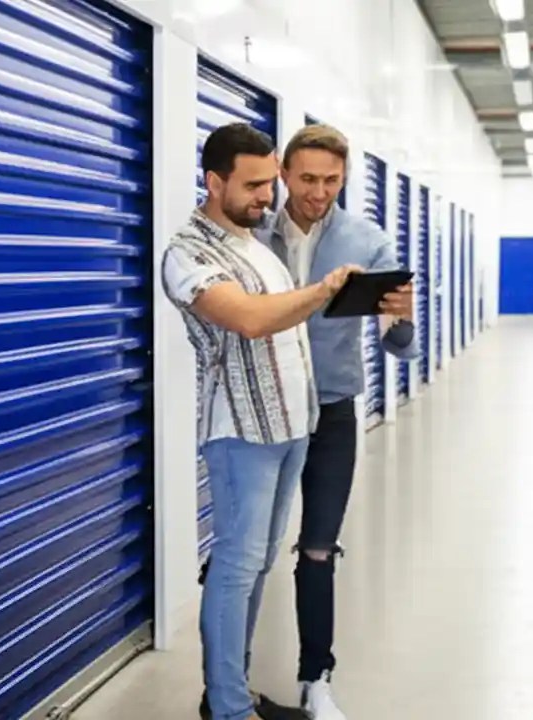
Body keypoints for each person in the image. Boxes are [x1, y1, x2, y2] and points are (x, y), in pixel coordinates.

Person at [163, 122, 360, 720]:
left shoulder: (254, 245)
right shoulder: (188, 253)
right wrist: (324, 290)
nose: (265, 198)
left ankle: (234, 690)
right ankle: (225, 708)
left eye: (269, 184)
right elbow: (248, 319)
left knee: (257, 562)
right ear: (214, 181)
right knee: (234, 565)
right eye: (251, 186)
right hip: (242, 433)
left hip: (289, 426)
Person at [257, 124, 419, 719]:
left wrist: (400, 320)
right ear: (284, 174)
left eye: (331, 180)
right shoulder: (256, 232)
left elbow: (400, 345)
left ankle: (315, 679)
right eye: (307, 179)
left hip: (331, 411)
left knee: (319, 549)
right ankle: (229, 684)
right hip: (265, 407)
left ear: (344, 177)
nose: (319, 191)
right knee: (250, 551)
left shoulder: (366, 240)